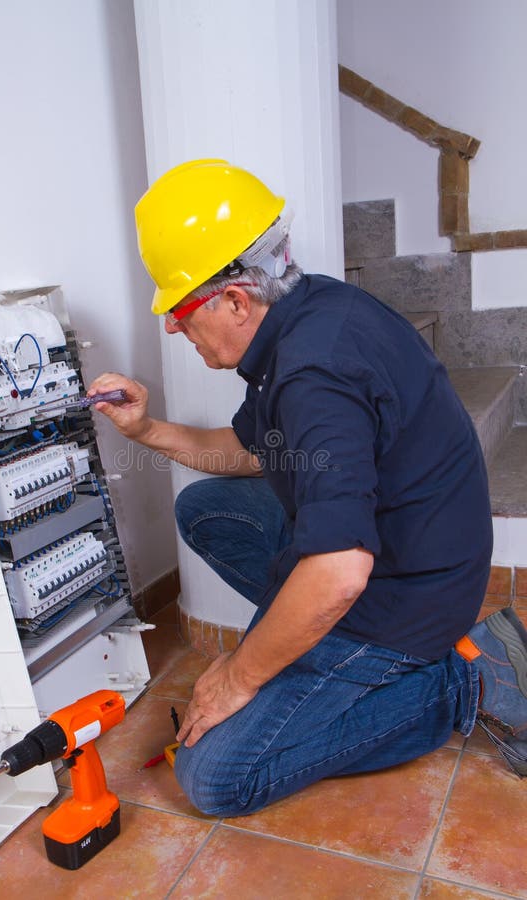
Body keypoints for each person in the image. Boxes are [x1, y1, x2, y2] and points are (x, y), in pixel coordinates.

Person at [89, 159, 527, 815]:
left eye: (178, 308)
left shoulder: (314, 369)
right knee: (207, 510)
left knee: (216, 777)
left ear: (236, 299)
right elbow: (247, 451)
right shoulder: (306, 312)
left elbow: (343, 570)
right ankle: (304, 634)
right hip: (398, 545)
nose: (172, 326)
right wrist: (147, 428)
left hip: (403, 592)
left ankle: (471, 678)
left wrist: (239, 679)